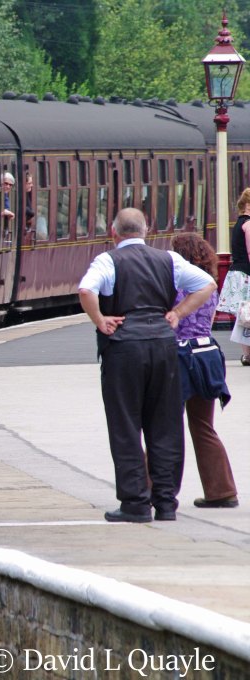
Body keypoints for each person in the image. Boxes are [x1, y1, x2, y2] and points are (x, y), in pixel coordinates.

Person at [78, 207, 216, 523]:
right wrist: (178, 313)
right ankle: (166, 503)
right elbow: (207, 284)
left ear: (114, 233)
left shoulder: (107, 261)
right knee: (166, 424)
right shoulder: (169, 259)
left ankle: (136, 503)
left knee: (126, 426)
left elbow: (86, 290)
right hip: (163, 346)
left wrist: (100, 320)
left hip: (124, 347)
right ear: (146, 231)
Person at [170, 233, 239, 509]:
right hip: (207, 354)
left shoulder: (176, 287)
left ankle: (155, 489)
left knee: (167, 426)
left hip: (178, 356)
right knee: (203, 426)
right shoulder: (209, 286)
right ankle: (221, 490)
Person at [217, 187, 250, 366]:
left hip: (237, 273)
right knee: (247, 315)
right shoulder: (249, 224)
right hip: (246, 274)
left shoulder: (239, 223)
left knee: (245, 316)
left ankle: (246, 354)